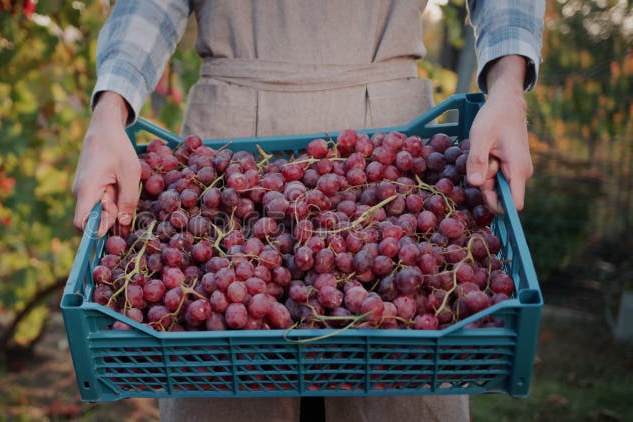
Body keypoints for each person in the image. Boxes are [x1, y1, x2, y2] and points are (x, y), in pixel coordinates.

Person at [71, 1, 544, 420]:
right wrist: (109, 110)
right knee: (215, 381)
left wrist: (507, 90)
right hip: (231, 143)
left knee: (406, 383)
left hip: (393, 129)